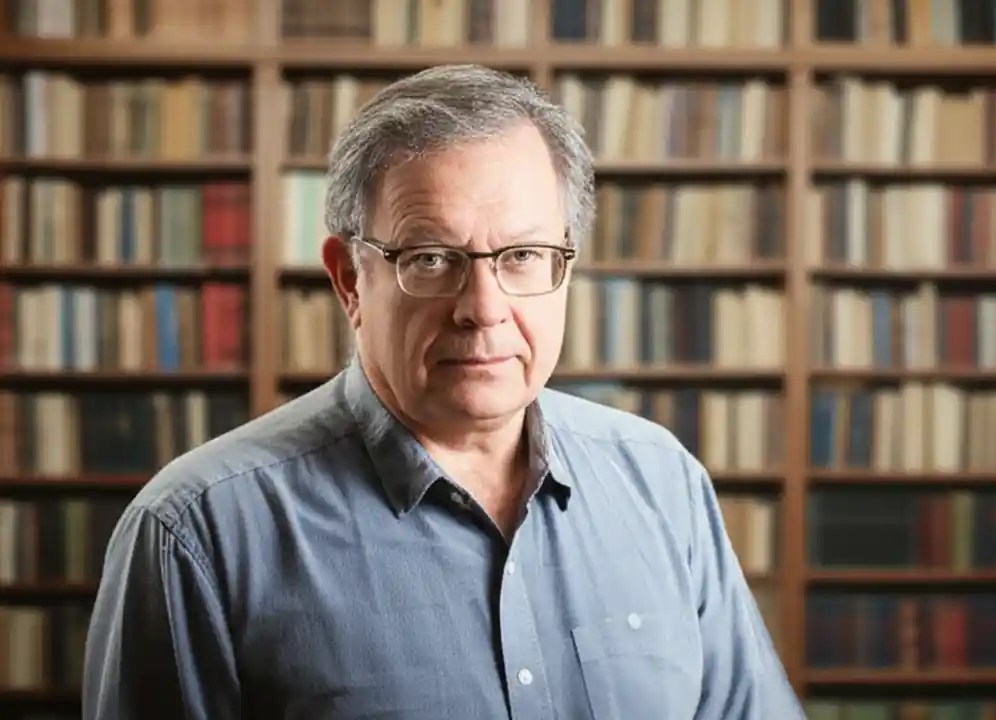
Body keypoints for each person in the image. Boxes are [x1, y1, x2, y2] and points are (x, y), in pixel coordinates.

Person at [82, 64, 803, 719]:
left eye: (523, 256)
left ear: (566, 268)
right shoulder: (198, 533)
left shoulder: (660, 480)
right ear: (348, 280)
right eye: (431, 258)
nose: (483, 307)